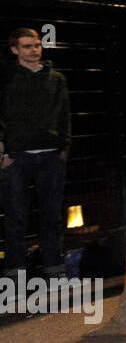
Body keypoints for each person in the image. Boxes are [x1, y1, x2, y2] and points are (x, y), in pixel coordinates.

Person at [1, 28, 72, 280]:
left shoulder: (56, 79)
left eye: (37, 44)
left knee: (52, 215)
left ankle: (54, 272)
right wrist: (3, 153)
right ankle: (15, 276)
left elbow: (65, 115)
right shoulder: (7, 79)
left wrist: (63, 149)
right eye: (27, 46)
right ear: (15, 50)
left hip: (51, 156)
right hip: (17, 157)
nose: (34, 49)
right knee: (16, 216)